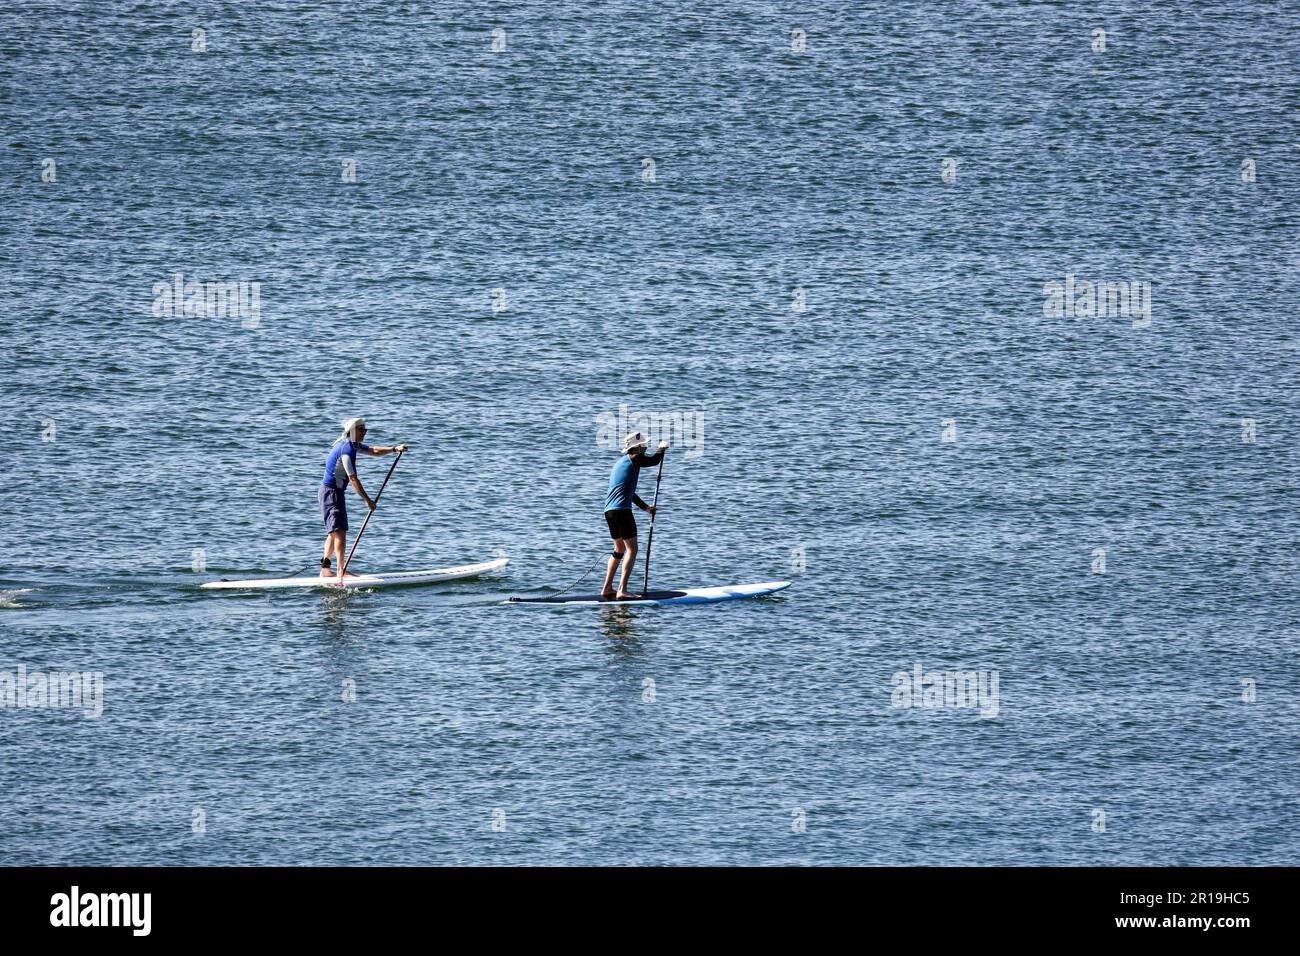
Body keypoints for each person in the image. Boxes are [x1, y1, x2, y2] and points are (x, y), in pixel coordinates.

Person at [319, 418, 407, 582]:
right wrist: (368, 501)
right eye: (362, 430)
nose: (364, 433)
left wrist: (394, 449)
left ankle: (326, 570)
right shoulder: (346, 451)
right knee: (339, 533)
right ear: (352, 431)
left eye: (365, 430)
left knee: (334, 532)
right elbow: (353, 479)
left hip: (334, 493)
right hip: (331, 493)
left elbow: (373, 450)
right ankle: (340, 572)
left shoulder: (352, 445)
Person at [600, 431, 669, 600]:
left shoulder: (621, 463)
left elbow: (628, 492)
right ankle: (622, 590)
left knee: (619, 549)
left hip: (609, 511)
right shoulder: (634, 459)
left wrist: (646, 507)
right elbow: (654, 461)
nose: (646, 447)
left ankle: (607, 588)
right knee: (632, 549)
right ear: (636, 448)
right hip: (622, 511)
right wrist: (661, 449)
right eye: (644, 445)